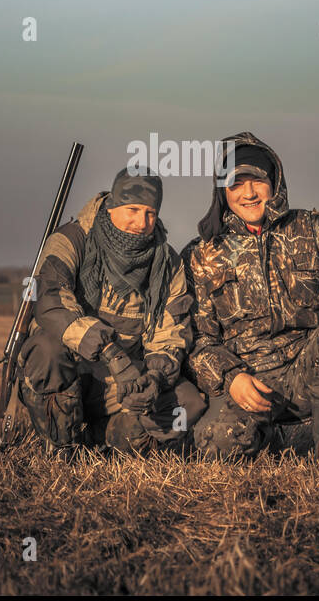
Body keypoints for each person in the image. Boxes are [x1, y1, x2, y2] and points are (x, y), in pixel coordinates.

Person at [184, 133, 319, 458]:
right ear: (222, 189)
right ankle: (267, 436)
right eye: (236, 183)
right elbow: (196, 339)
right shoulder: (200, 254)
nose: (248, 193)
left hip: (310, 373)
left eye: (258, 180)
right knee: (217, 448)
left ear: (274, 182)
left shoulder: (317, 229)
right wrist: (231, 377)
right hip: (247, 382)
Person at [18, 167, 204, 455]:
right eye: (132, 209)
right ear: (113, 204)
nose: (141, 222)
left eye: (150, 213)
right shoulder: (72, 239)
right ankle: (62, 444)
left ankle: (107, 438)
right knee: (46, 349)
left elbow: (171, 332)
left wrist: (153, 379)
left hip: (126, 384)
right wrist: (113, 357)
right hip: (77, 372)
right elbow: (51, 301)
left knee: (188, 405)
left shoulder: (167, 261)